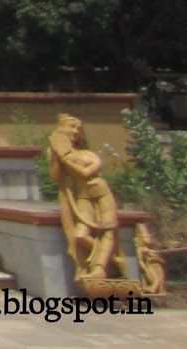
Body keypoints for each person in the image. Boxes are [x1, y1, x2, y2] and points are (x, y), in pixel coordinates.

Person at [47, 114, 121, 281]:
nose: (76, 131)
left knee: (108, 228)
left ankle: (100, 268)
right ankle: (111, 257)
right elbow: (56, 177)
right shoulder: (62, 153)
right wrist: (54, 155)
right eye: (72, 127)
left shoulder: (88, 154)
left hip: (101, 192)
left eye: (79, 129)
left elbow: (86, 172)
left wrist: (65, 160)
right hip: (82, 196)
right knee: (80, 235)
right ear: (61, 129)